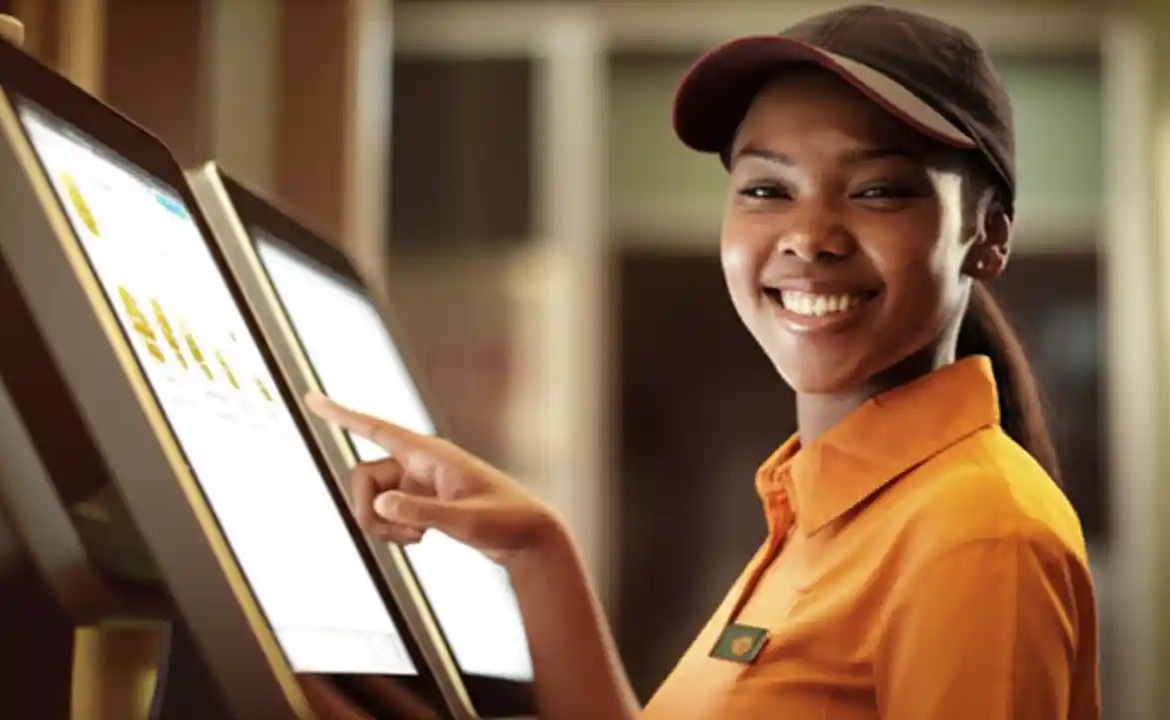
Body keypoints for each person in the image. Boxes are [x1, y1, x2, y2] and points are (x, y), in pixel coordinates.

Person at [307, 4, 1100, 718]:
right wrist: (535, 552)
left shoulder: (975, 534)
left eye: (877, 191)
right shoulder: (822, 511)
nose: (809, 235)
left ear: (988, 235)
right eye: (766, 190)